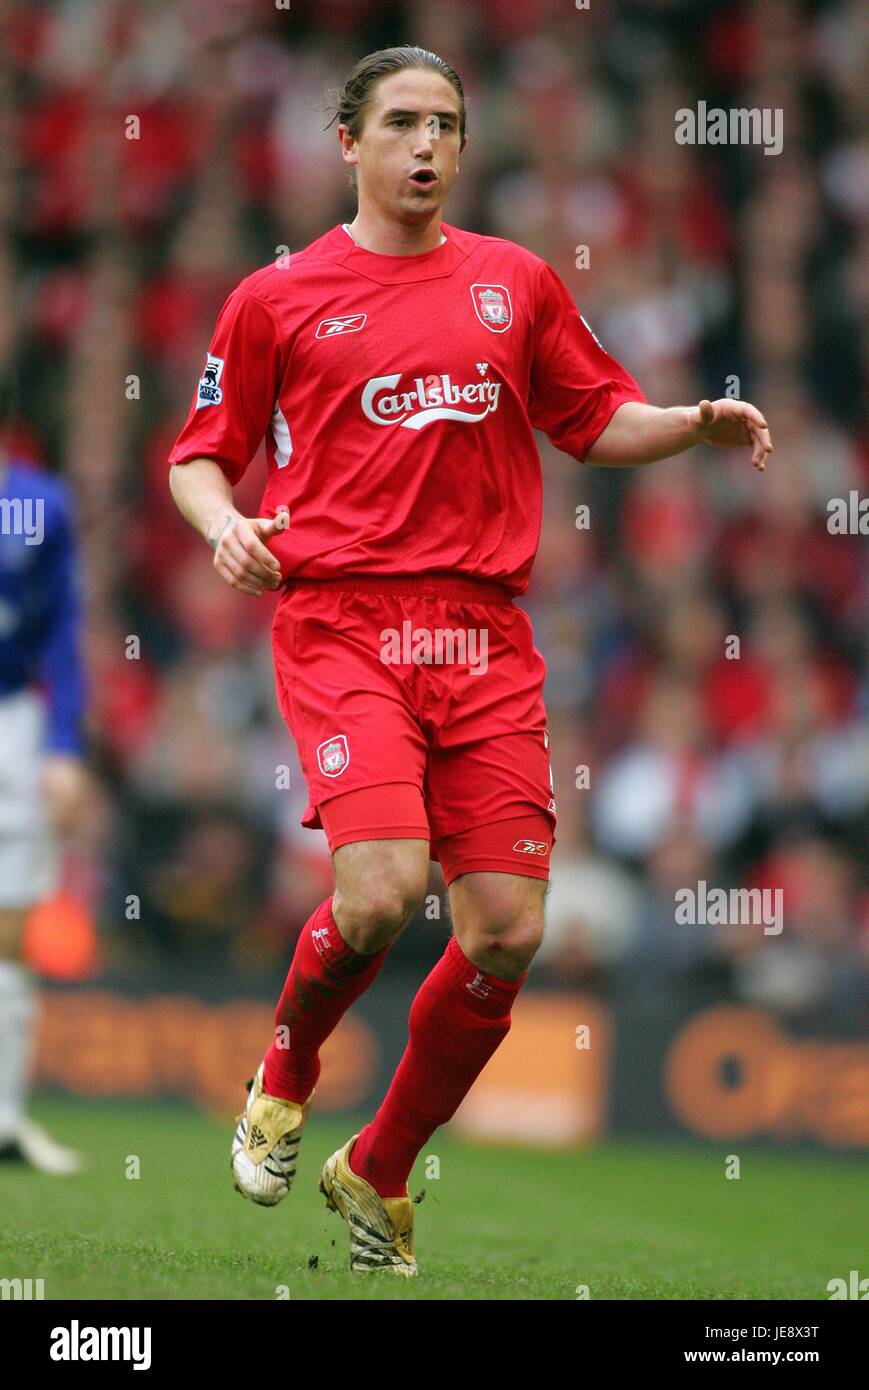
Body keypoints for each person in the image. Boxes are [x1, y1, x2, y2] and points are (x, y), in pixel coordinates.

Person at [167, 46, 772, 1276]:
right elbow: (198, 453)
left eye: (445, 123)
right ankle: (284, 1071)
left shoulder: (514, 283)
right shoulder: (276, 296)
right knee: (382, 891)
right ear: (348, 142)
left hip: (484, 634)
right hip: (342, 620)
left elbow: (592, 417)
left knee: (503, 933)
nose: (428, 146)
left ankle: (378, 1167)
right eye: (401, 123)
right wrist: (227, 525)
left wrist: (691, 424)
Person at [0, 372, 89, 1173]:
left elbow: (64, 632)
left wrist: (64, 746)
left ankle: (3, 1118)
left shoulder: (39, 506)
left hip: (13, 726)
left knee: (11, 932)